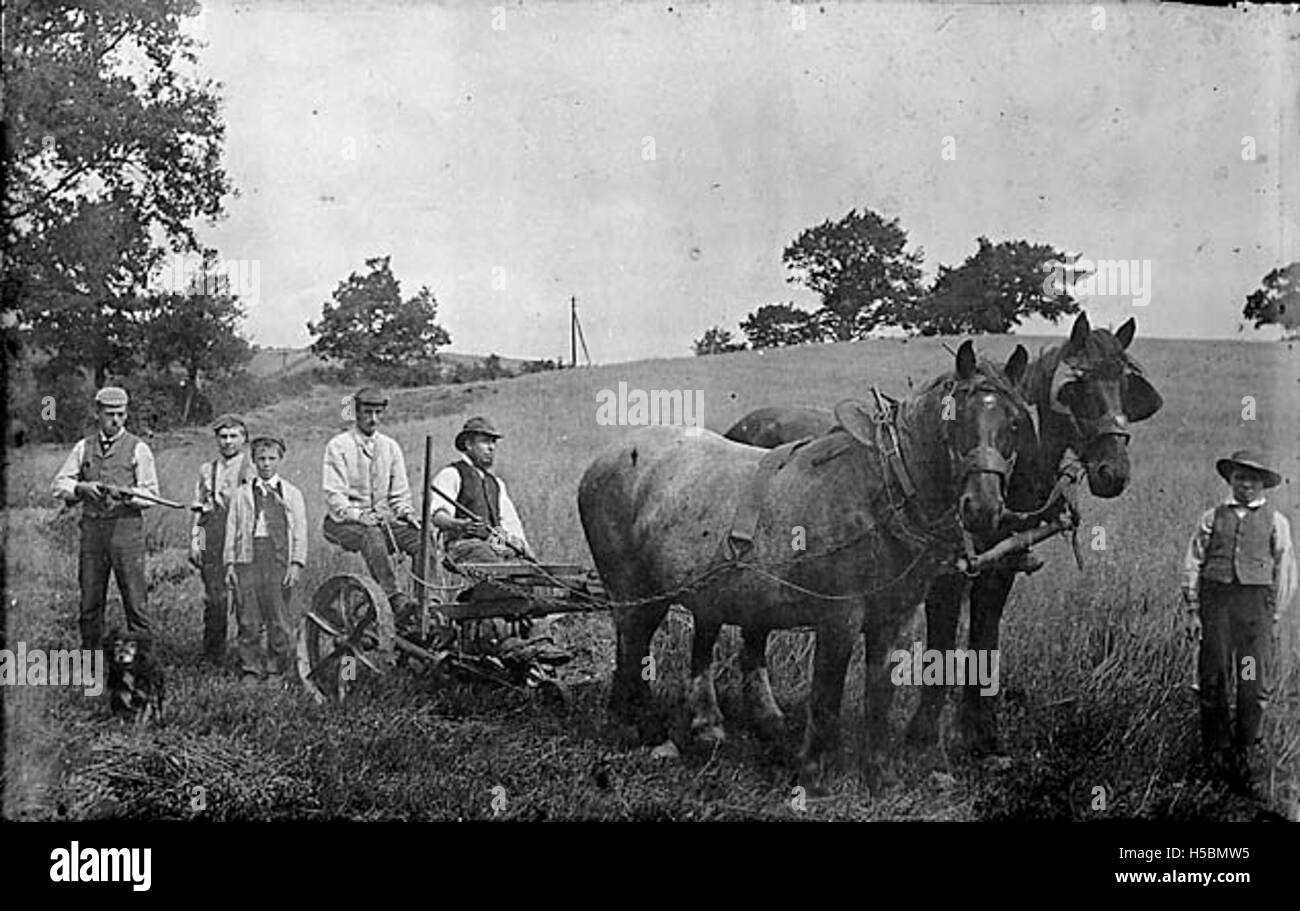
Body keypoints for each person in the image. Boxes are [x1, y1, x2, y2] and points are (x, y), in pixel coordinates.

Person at [1182, 449, 1297, 784]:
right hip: (1217, 607)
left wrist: (1273, 615)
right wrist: (1193, 610)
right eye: (1239, 478)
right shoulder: (1212, 517)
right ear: (1230, 480)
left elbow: (1285, 569)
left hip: (1253, 613)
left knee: (1251, 678)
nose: (1246, 485)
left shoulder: (1276, 522)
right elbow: (1194, 562)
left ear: (1263, 484)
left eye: (1252, 479)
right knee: (1214, 677)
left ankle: (1246, 749)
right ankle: (1215, 753)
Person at [431, 417, 567, 661]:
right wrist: (460, 524)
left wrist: (525, 553)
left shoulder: (496, 484)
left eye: (493, 442)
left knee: (530, 574)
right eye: (485, 441)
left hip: (494, 550)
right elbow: (438, 515)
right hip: (463, 547)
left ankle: (539, 640)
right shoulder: (451, 474)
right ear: (468, 444)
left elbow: (511, 525)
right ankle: (505, 642)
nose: (491, 447)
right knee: (499, 572)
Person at [50, 386, 160, 650]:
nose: (116, 420)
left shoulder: (139, 448)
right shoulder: (83, 446)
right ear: (97, 413)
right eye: (110, 414)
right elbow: (58, 484)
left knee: (135, 603)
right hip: (92, 535)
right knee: (89, 603)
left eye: (121, 414)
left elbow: (152, 493)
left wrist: (129, 495)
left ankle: (143, 668)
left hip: (126, 533)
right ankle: (92, 667)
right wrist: (81, 488)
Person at [322, 387, 424, 625]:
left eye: (378, 413)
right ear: (356, 413)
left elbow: (399, 495)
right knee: (371, 533)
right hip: (342, 523)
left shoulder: (390, 447)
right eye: (367, 412)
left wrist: (406, 513)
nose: (373, 419)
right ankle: (393, 597)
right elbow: (334, 497)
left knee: (422, 536)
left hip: (381, 522)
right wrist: (359, 515)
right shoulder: (338, 446)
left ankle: (427, 603)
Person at [223, 436, 306, 681]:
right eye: (261, 459)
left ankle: (276, 669)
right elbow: (232, 529)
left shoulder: (292, 494)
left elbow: (299, 531)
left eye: (271, 459)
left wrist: (296, 563)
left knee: (278, 616)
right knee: (248, 617)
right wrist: (229, 563)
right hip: (248, 558)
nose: (266, 464)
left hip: (278, 559)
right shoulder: (242, 494)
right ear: (254, 461)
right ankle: (250, 668)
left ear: (280, 460)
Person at [189, 413, 254, 663]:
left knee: (244, 597)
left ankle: (246, 656)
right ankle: (213, 656)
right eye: (223, 437)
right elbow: (198, 512)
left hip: (241, 536)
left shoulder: (252, 467)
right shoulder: (208, 470)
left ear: (244, 438)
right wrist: (196, 544)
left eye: (233, 436)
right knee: (215, 599)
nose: (227, 442)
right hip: (213, 534)